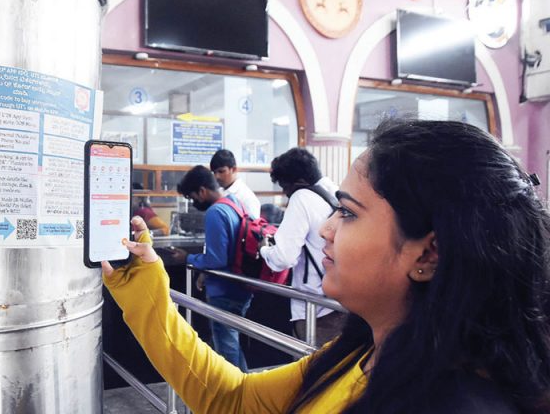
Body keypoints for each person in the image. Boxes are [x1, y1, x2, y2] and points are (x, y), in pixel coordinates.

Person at [102, 119, 550, 413]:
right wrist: (146, 286)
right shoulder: (358, 355)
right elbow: (232, 397)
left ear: (428, 254)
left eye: (349, 213)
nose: (326, 230)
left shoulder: (455, 403)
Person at [170, 165, 254, 371]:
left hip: (224, 289)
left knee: (226, 345)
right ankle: (243, 387)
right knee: (231, 341)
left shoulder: (215, 212)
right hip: (240, 285)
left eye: (193, 197)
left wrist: (187, 257)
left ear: (202, 191)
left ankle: (235, 394)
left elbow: (216, 259)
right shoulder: (234, 203)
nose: (194, 203)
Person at [260, 148, 344, 346]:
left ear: (298, 183)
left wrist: (264, 249)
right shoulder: (334, 190)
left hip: (315, 309)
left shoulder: (301, 198)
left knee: (312, 368)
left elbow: (283, 259)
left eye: (284, 186)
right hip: (342, 301)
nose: (285, 193)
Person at [210, 149, 261, 220]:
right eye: (214, 172)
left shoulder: (247, 198)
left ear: (234, 169)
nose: (217, 176)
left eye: (221, 171)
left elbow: (252, 229)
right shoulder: (220, 192)